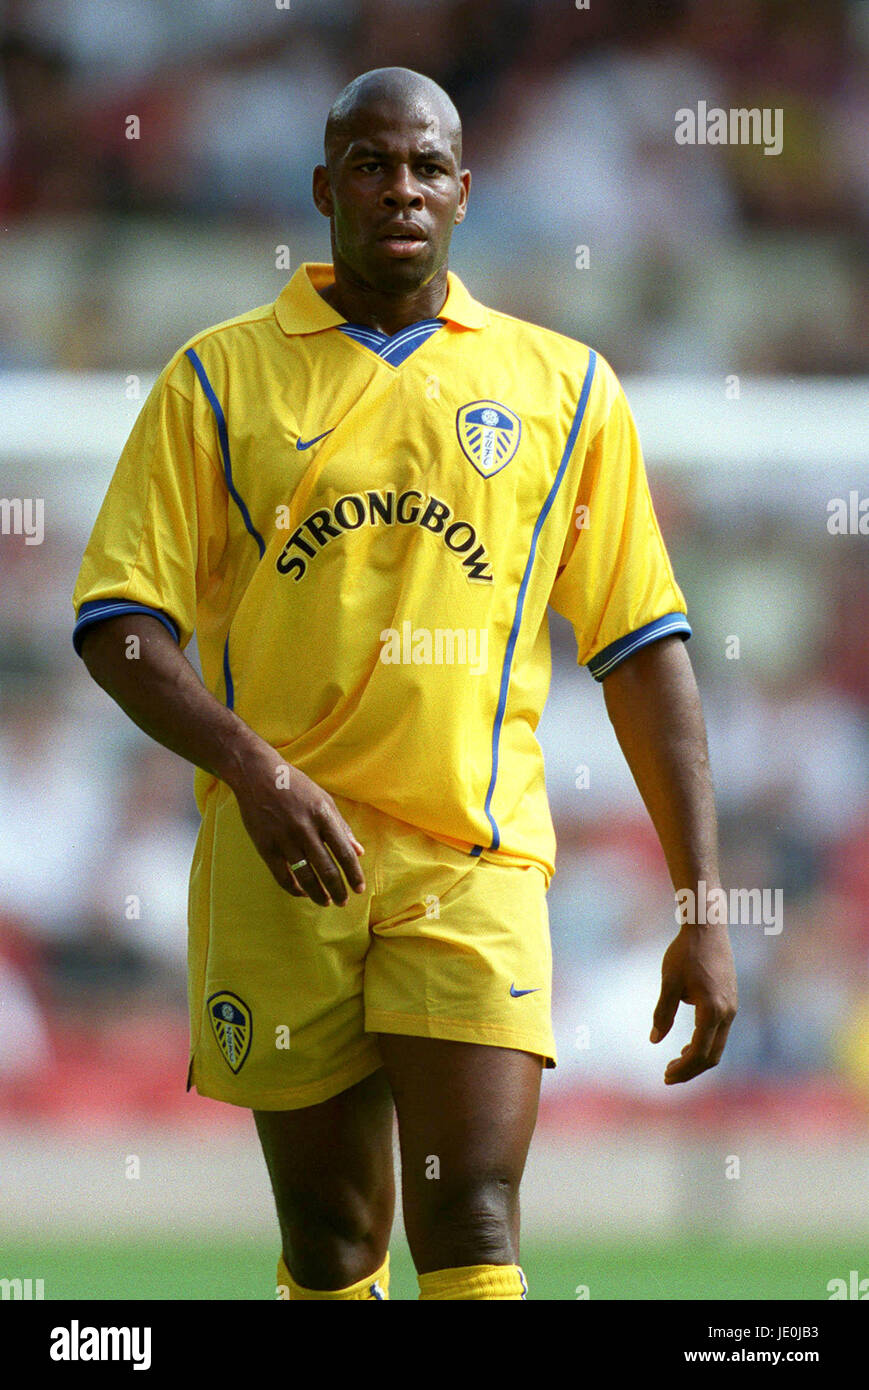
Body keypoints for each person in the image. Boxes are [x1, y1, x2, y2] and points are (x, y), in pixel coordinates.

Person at [72, 66, 737, 1301]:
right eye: (372, 165)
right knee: (332, 1241)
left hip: (469, 860)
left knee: (473, 1212)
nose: (401, 190)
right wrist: (251, 770)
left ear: (466, 192)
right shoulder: (218, 381)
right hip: (281, 855)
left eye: (427, 167)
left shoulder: (562, 389)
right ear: (324, 187)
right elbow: (117, 624)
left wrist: (704, 898)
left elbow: (643, 648)